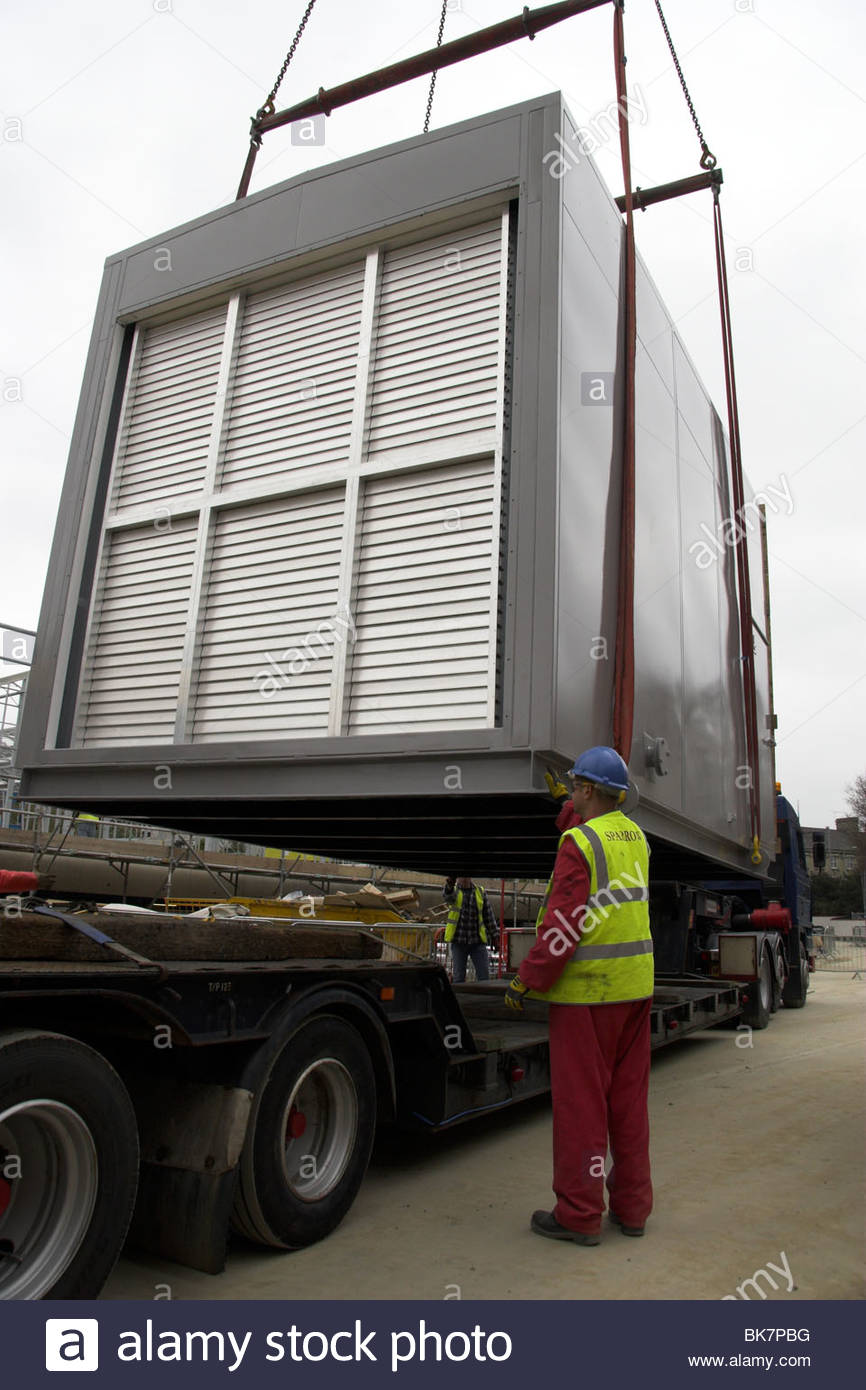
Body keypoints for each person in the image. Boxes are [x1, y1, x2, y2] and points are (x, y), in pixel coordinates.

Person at [505, 746, 653, 1246]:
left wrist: (529, 978)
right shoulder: (635, 837)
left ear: (589, 789)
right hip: (635, 990)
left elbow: (562, 924)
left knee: (581, 1108)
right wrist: (569, 805)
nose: (570, 790)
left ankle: (579, 1215)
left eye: (575, 786)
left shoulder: (577, 844)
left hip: (586, 997)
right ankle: (632, 1210)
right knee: (628, 1104)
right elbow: (601, 828)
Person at [443, 875, 499, 983]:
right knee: (459, 978)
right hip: (458, 941)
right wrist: (449, 886)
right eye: (461, 876)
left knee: (484, 977)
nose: (463, 879)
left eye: (466, 876)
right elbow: (448, 897)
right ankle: (460, 999)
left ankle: (483, 998)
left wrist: (495, 936)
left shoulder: (480, 892)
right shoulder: (454, 891)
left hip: (477, 942)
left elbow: (488, 916)